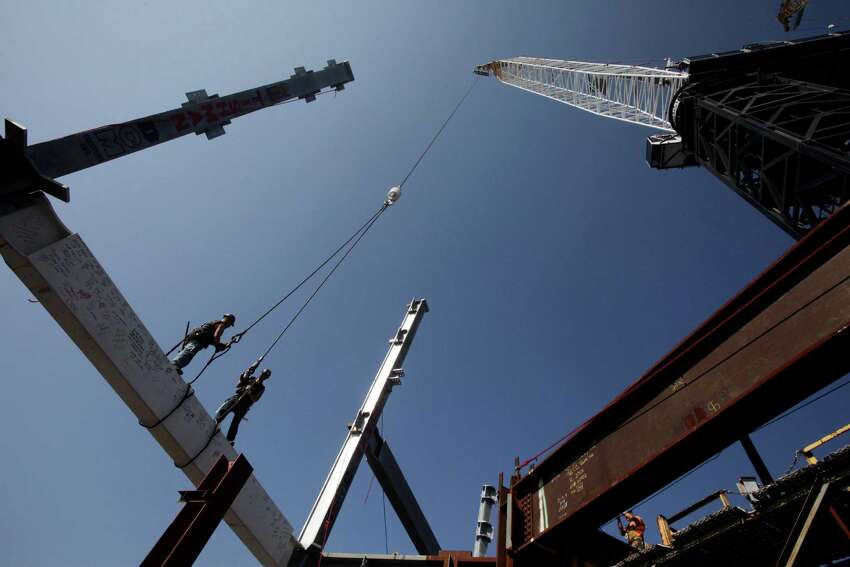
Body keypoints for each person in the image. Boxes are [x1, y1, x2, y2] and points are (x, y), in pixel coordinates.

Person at [214, 363, 271, 444]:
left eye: (265, 376)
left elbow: (255, 399)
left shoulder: (262, 388)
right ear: (261, 372)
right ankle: (216, 422)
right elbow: (238, 385)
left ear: (266, 378)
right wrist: (243, 376)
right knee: (225, 409)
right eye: (263, 374)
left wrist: (250, 392)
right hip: (237, 398)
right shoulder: (251, 378)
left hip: (244, 405)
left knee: (235, 423)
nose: (263, 376)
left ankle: (230, 440)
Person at [171, 314, 236, 374]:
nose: (229, 326)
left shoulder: (215, 323)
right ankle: (175, 364)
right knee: (189, 352)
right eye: (230, 324)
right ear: (227, 320)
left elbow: (211, 339)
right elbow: (216, 336)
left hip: (197, 338)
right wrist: (218, 344)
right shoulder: (221, 324)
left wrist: (219, 345)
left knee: (190, 352)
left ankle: (177, 365)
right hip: (199, 339)